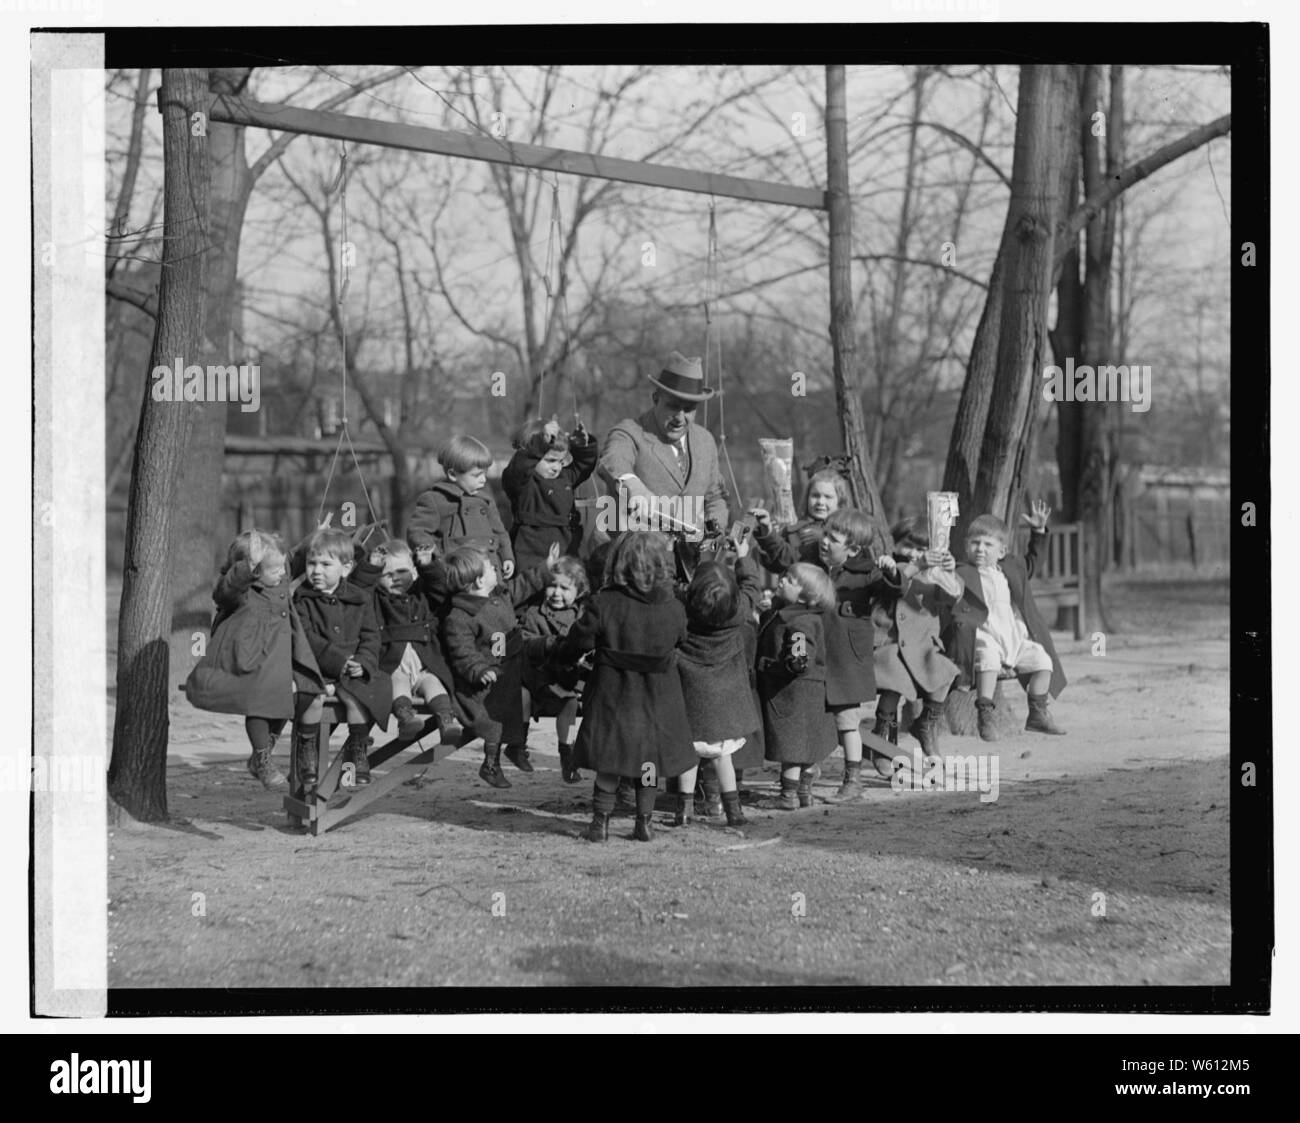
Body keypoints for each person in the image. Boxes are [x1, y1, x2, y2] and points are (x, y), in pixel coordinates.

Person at [553, 532, 697, 843]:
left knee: (610, 760)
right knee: (648, 762)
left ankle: (599, 823)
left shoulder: (604, 603)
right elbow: (682, 639)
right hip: (659, 695)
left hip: (614, 693)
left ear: (619, 564)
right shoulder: (674, 607)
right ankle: (644, 823)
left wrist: (563, 659)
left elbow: (578, 640)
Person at [184, 530, 322, 790]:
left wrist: (314, 537)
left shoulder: (277, 577)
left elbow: (292, 558)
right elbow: (225, 591)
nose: (283, 573)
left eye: (283, 568)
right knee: (260, 700)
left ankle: (269, 753)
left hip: (281, 655)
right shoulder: (241, 590)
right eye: (275, 569)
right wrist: (245, 567)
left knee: (299, 692)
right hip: (249, 656)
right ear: (255, 571)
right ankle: (262, 759)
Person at [950, 501, 1068, 741]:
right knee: (988, 659)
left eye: (988, 544)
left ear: (1001, 551)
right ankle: (985, 714)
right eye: (975, 543)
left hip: (1014, 636)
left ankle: (1037, 712)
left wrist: (1038, 532)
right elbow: (945, 585)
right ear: (966, 547)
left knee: (1043, 662)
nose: (980, 549)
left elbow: (1034, 561)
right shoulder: (962, 571)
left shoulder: (1011, 569)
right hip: (984, 635)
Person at [440, 544, 555, 788]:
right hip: (485, 681)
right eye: (492, 568)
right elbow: (463, 652)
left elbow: (524, 585)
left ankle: (517, 747)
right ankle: (491, 764)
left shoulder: (500, 596)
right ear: (480, 581)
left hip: (513, 669)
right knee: (494, 718)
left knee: (526, 698)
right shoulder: (460, 617)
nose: (497, 569)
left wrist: (546, 568)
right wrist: (480, 670)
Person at [291, 527, 393, 793]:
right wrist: (338, 661)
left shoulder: (359, 599)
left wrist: (363, 662)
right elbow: (305, 638)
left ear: (346, 568)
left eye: (325, 564)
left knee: (360, 695)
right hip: (316, 666)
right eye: (312, 563)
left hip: (352, 670)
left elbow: (371, 637)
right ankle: (307, 751)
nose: (316, 570)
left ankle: (358, 750)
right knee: (312, 695)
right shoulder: (302, 599)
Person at [673, 544, 764, 829]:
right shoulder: (738, 615)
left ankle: (683, 811)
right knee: (723, 758)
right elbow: (752, 588)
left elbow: (667, 592)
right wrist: (744, 556)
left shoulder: (682, 618)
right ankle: (733, 811)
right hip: (724, 712)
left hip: (690, 709)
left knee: (689, 759)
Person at [599, 351, 728, 540]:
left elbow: (715, 497)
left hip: (691, 559)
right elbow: (613, 460)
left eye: (689, 410)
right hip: (639, 559)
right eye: (673, 407)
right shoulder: (629, 432)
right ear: (656, 399)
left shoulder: (705, 441)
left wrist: (714, 530)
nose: (680, 418)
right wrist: (634, 487)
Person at [867, 519, 963, 772]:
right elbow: (894, 583)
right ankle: (883, 742)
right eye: (909, 546)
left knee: (945, 674)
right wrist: (911, 565)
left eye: (923, 549)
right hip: (892, 644)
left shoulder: (933, 575)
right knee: (893, 687)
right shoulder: (889, 566)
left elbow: (952, 597)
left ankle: (925, 725)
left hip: (922, 646)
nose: (916, 554)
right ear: (896, 543)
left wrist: (950, 573)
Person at [757, 562, 838, 810]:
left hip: (793, 694)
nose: (782, 580)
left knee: (792, 747)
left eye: (791, 580)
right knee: (804, 744)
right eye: (784, 576)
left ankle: (787, 796)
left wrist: (768, 666)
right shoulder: (794, 616)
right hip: (807, 692)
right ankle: (804, 792)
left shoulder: (800, 623)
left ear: (807, 596)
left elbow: (798, 662)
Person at [365, 539, 458, 742]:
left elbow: (440, 590)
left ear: (414, 572)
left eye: (401, 572)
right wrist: (371, 567)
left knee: (434, 684)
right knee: (398, 683)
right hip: (394, 665)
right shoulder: (377, 599)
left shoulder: (423, 596)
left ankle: (446, 720)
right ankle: (406, 718)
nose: (395, 578)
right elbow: (360, 591)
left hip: (425, 665)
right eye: (387, 574)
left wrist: (428, 565)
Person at [407, 434, 515, 599]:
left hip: (489, 573)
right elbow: (418, 532)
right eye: (477, 475)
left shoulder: (485, 500)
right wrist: (435, 559)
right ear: (453, 474)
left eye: (485, 473)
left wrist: (507, 556)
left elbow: (499, 531)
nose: (484, 480)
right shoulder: (435, 499)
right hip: (458, 576)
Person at [519, 554, 590, 784]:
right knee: (522, 696)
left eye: (564, 588)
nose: (556, 593)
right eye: (552, 586)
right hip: (538, 676)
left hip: (569, 679)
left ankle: (566, 752)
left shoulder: (582, 616)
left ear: (578, 591)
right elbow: (524, 642)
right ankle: (519, 744)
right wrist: (547, 643)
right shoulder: (534, 613)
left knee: (569, 703)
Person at [502, 418, 598, 573]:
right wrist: (541, 442)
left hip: (566, 547)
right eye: (551, 460)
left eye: (561, 461)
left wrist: (582, 447)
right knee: (533, 590)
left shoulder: (565, 477)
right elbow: (518, 469)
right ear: (531, 453)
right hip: (530, 551)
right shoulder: (522, 483)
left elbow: (583, 466)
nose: (556, 468)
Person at [750, 467, 851, 574]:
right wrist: (769, 534)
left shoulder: (850, 531)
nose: (820, 502)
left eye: (828, 497)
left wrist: (825, 538)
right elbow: (780, 563)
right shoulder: (793, 532)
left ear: (840, 502)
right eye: (815, 496)